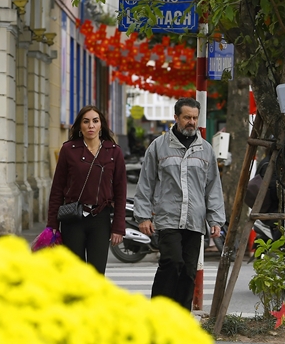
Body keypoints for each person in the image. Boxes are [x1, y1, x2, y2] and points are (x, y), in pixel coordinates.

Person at [133, 97, 225, 309]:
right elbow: (146, 182)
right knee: (172, 262)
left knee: (188, 270)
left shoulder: (206, 150)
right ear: (176, 118)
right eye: (187, 117)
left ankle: (181, 318)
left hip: (195, 219)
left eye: (194, 117)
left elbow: (213, 187)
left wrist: (216, 219)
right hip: (168, 218)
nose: (191, 122)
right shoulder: (159, 146)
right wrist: (144, 215)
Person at [47, 105, 127, 274]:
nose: (91, 125)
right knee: (74, 274)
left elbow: (120, 192)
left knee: (97, 273)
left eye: (95, 121)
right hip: (72, 219)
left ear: (101, 125)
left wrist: (118, 227)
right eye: (86, 121)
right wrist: (52, 224)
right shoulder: (69, 150)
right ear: (80, 126)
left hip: (100, 219)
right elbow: (57, 189)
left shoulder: (113, 152)